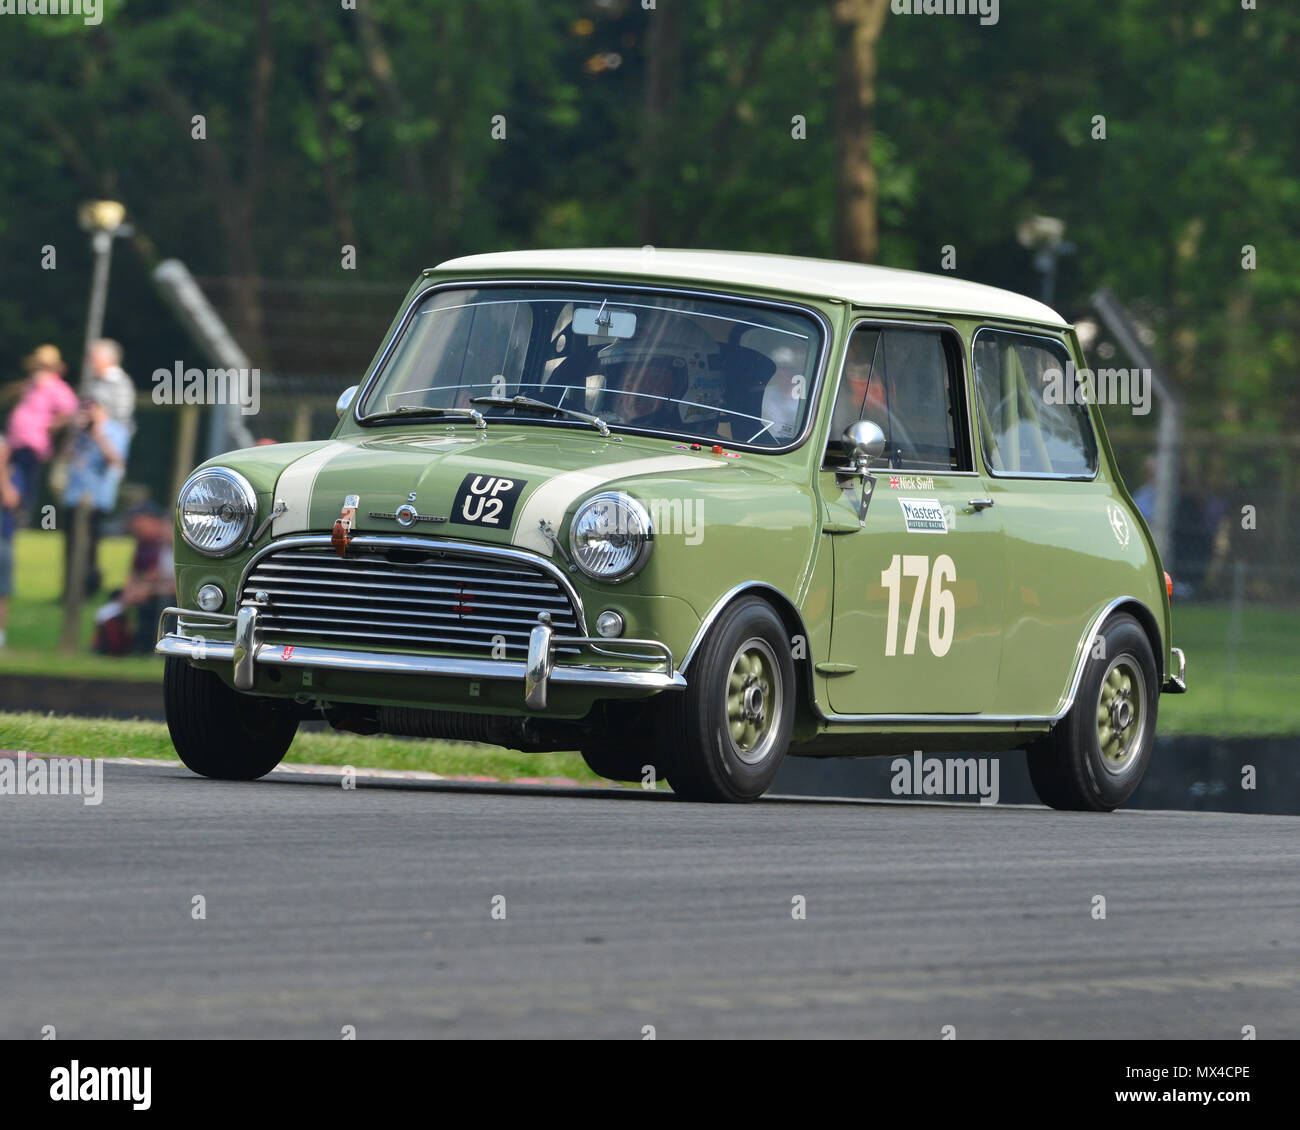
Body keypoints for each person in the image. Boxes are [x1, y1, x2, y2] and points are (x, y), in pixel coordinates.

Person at [4, 344, 79, 526]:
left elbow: (72, 411)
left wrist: (52, 425)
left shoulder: (57, 387)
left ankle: (19, 520)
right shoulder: (31, 384)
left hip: (33, 445)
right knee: (10, 483)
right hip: (15, 442)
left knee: (24, 486)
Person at [61, 400, 128, 600]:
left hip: (96, 498)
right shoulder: (79, 432)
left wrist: (98, 434)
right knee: (70, 546)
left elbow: (115, 460)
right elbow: (65, 456)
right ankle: (69, 590)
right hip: (74, 496)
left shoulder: (115, 431)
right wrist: (74, 431)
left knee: (90, 547)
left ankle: (88, 590)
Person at [93, 501, 175, 655]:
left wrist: (147, 590)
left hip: (164, 594)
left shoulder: (170, 551)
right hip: (152, 589)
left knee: (161, 603)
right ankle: (115, 643)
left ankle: (150, 646)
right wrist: (132, 588)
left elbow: (173, 583)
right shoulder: (155, 547)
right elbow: (138, 572)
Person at [86, 339, 136, 435]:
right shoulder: (94, 382)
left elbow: (122, 414)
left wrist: (98, 417)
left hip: (110, 439)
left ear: (106, 359)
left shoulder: (121, 382)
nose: (91, 364)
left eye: (93, 359)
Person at [0, 438, 20, 648]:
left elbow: (11, 500)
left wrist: (1, 472)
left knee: (1, 590)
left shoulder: (14, 473)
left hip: (2, 538)